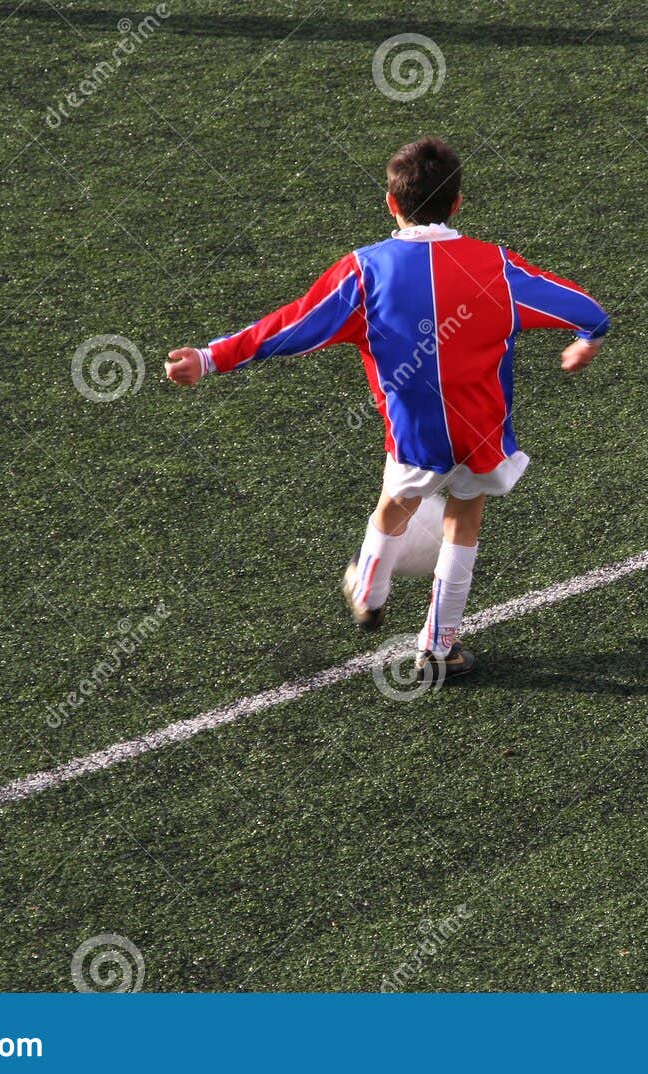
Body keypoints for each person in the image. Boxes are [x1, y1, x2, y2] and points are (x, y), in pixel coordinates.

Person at [164, 137, 610, 681]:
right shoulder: (497, 267)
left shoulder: (365, 271)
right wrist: (587, 339)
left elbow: (290, 328)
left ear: (391, 203)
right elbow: (583, 307)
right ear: (459, 203)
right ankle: (440, 647)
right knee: (464, 520)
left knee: (391, 509)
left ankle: (370, 595)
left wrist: (210, 359)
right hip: (482, 432)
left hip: (415, 437)